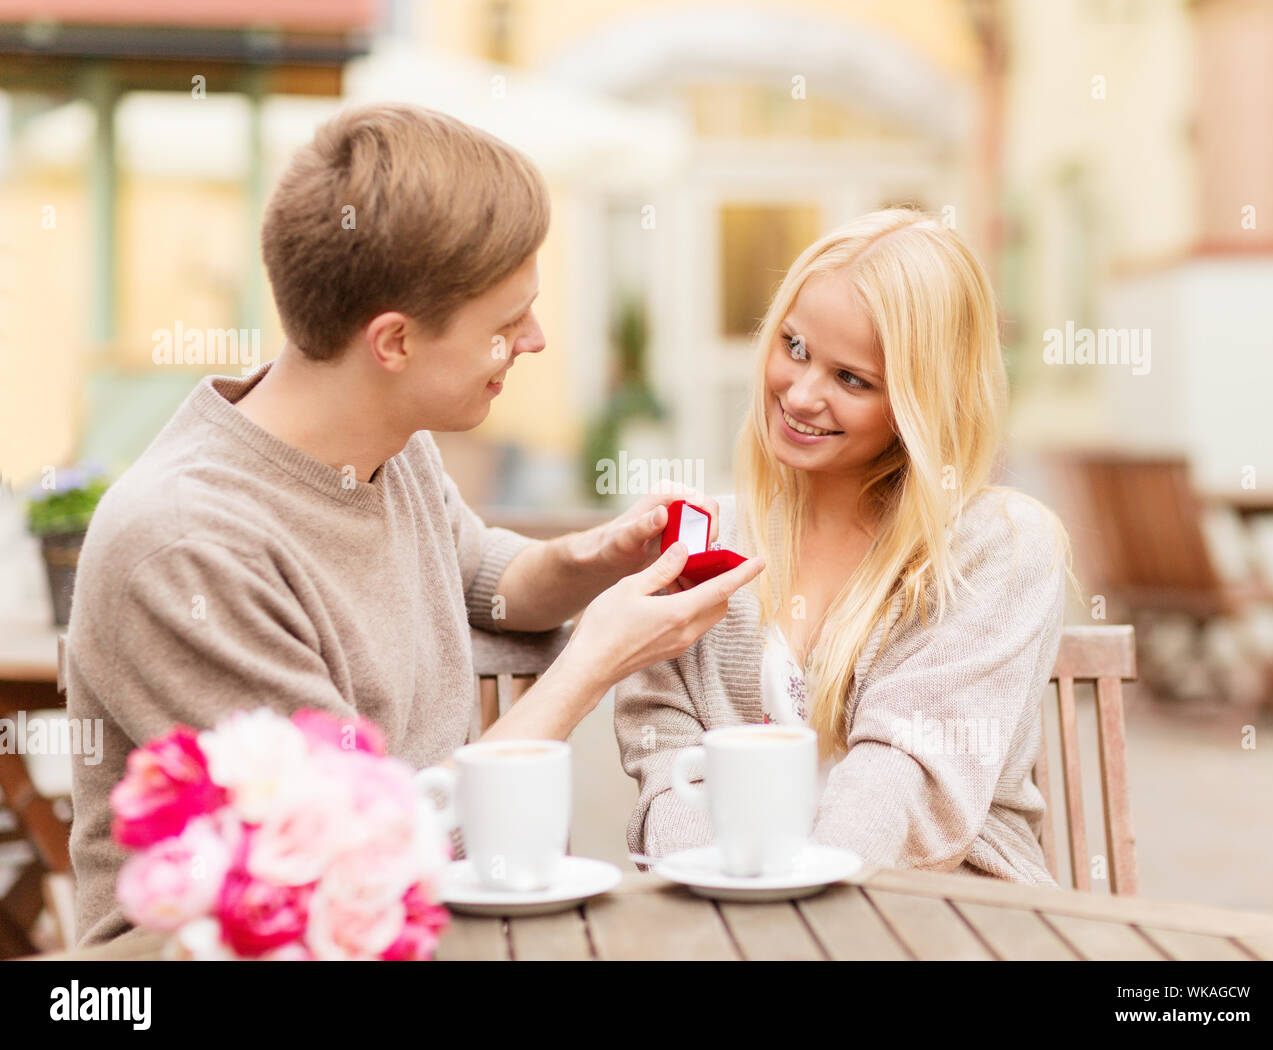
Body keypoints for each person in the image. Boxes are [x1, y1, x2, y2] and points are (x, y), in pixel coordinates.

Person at [66, 103, 764, 947]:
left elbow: (484, 583)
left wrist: (591, 560)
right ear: (393, 342)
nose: (536, 341)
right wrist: (594, 662)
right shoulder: (185, 547)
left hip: (446, 921)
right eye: (507, 327)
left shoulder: (389, 446)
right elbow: (357, 853)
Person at [615, 209, 1072, 884]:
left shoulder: (996, 547)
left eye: (851, 379)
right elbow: (666, 748)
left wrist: (799, 910)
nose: (800, 395)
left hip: (938, 915)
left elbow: (907, 773)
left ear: (921, 400)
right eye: (794, 347)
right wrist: (709, 894)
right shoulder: (706, 536)